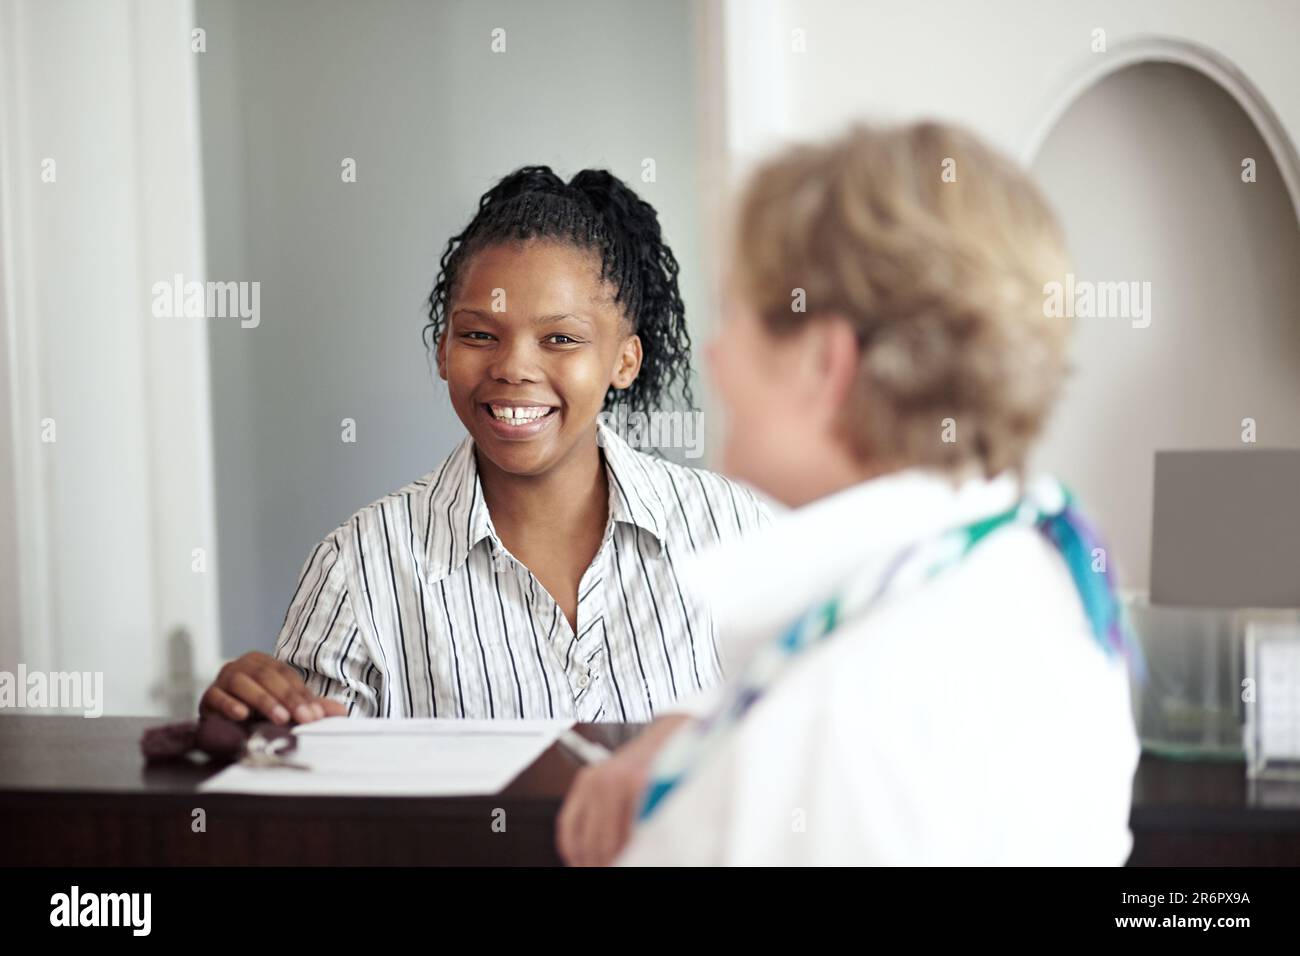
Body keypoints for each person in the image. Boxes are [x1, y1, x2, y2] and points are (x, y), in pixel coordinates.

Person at [556, 122, 1141, 866]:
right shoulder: (1038, 569)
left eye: (734, 313)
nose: (714, 353)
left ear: (823, 363)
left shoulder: (831, 722)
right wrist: (694, 728)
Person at [198, 166, 769, 725]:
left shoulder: (733, 531)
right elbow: (307, 793)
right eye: (478, 335)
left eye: (560, 338)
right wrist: (251, 725)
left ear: (624, 360)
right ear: (443, 350)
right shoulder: (360, 568)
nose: (514, 365)